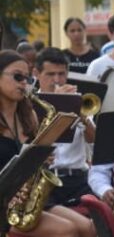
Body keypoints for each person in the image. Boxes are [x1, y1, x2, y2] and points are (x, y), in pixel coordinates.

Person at [0, 51, 98, 237]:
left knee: (88, 229)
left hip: (31, 197)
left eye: (26, 78)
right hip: (6, 203)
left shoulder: (27, 113)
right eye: (17, 77)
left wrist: (41, 157)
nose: (23, 84)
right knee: (67, 232)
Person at [34, 48, 96, 206]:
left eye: (61, 74)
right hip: (44, 180)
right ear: (36, 73)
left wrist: (82, 117)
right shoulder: (29, 105)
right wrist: (57, 104)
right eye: (50, 74)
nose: (57, 80)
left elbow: (93, 139)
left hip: (78, 179)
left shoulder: (77, 100)